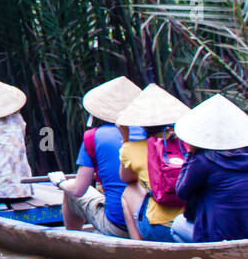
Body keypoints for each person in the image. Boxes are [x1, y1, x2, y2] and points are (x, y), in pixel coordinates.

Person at [51, 76, 141, 237]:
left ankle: (72, 240)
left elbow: (78, 190)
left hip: (118, 226)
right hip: (148, 221)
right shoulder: (152, 134)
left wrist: (60, 182)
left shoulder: (93, 137)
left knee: (70, 190)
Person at [115, 84, 192, 242]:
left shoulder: (131, 148)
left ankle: (138, 247)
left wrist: (125, 139)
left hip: (159, 228)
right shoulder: (188, 145)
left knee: (128, 191)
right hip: (192, 225)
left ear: (142, 124)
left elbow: (127, 178)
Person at [174, 94, 248, 243]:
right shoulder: (244, 156)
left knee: (177, 225)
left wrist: (190, 154)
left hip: (219, 238)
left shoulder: (203, 161)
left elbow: (181, 192)